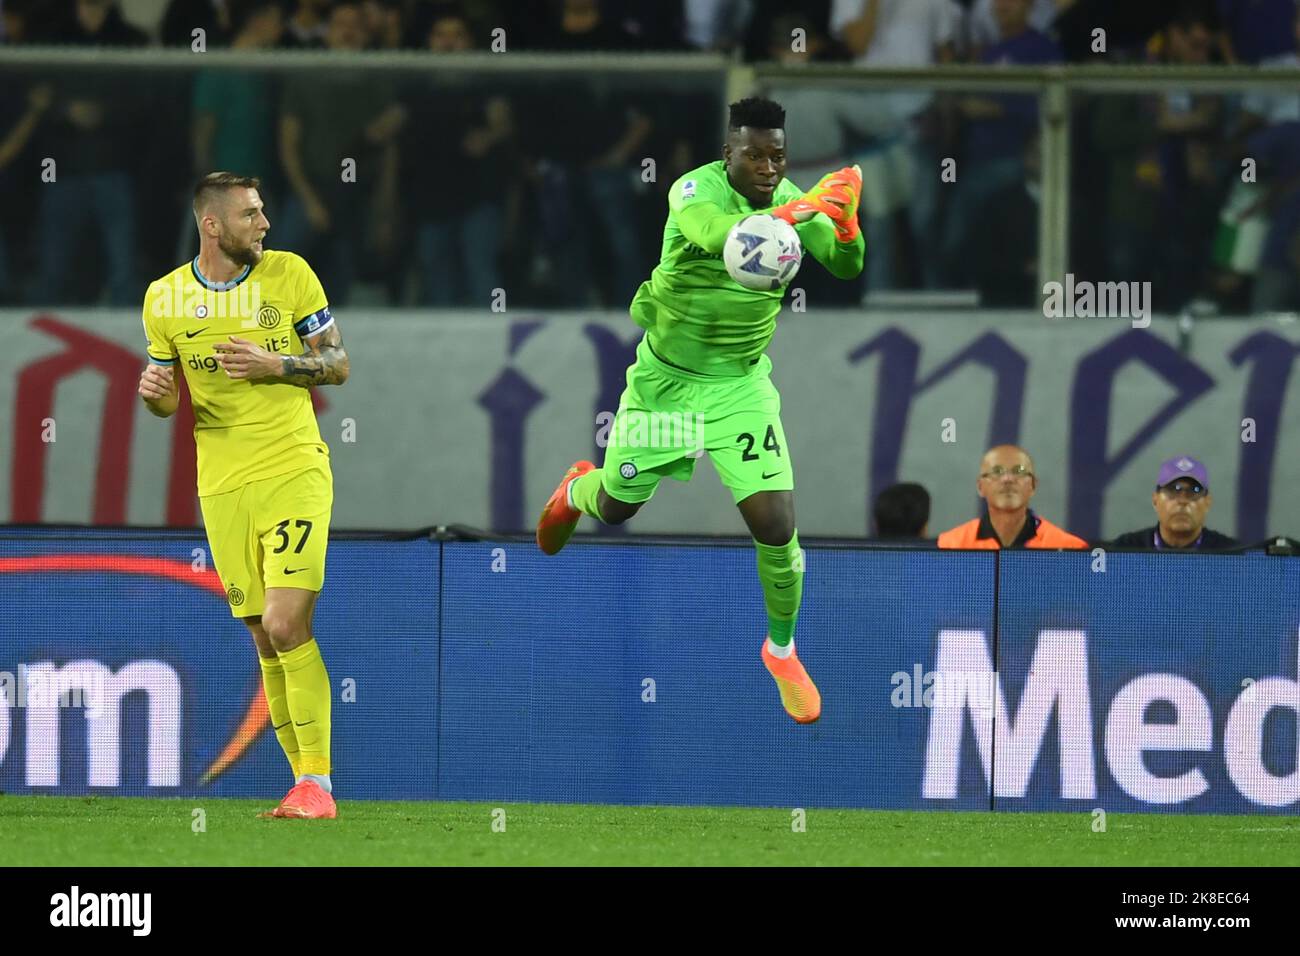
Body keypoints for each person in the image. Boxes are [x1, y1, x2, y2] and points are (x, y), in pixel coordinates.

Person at [534, 97, 865, 725]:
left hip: (738, 389)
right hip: (666, 385)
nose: (769, 167)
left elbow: (848, 268)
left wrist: (845, 224)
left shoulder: (796, 196)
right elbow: (725, 236)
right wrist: (806, 208)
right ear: (728, 154)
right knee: (618, 507)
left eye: (778, 156)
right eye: (755, 155)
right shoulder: (693, 191)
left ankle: (782, 649)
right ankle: (579, 491)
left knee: (775, 521)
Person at [137, 172, 350, 819]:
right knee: (263, 637)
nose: (263, 223)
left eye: (262, 211)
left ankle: (320, 784)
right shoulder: (164, 299)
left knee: (288, 622)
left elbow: (337, 363)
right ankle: (302, 785)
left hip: (293, 467)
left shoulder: (290, 276)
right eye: (251, 214)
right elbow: (171, 398)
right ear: (212, 225)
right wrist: (156, 396)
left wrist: (275, 364)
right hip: (223, 485)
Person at [937, 445, 1087, 549]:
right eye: (997, 471)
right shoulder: (950, 545)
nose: (1008, 479)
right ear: (980, 487)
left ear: (1033, 485)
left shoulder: (1068, 548)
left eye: (1019, 471)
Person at [1108, 456, 1238, 550]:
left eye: (1194, 491)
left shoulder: (1230, 554)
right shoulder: (1126, 550)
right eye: (1173, 490)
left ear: (1208, 502)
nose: (1182, 500)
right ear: (1155, 500)